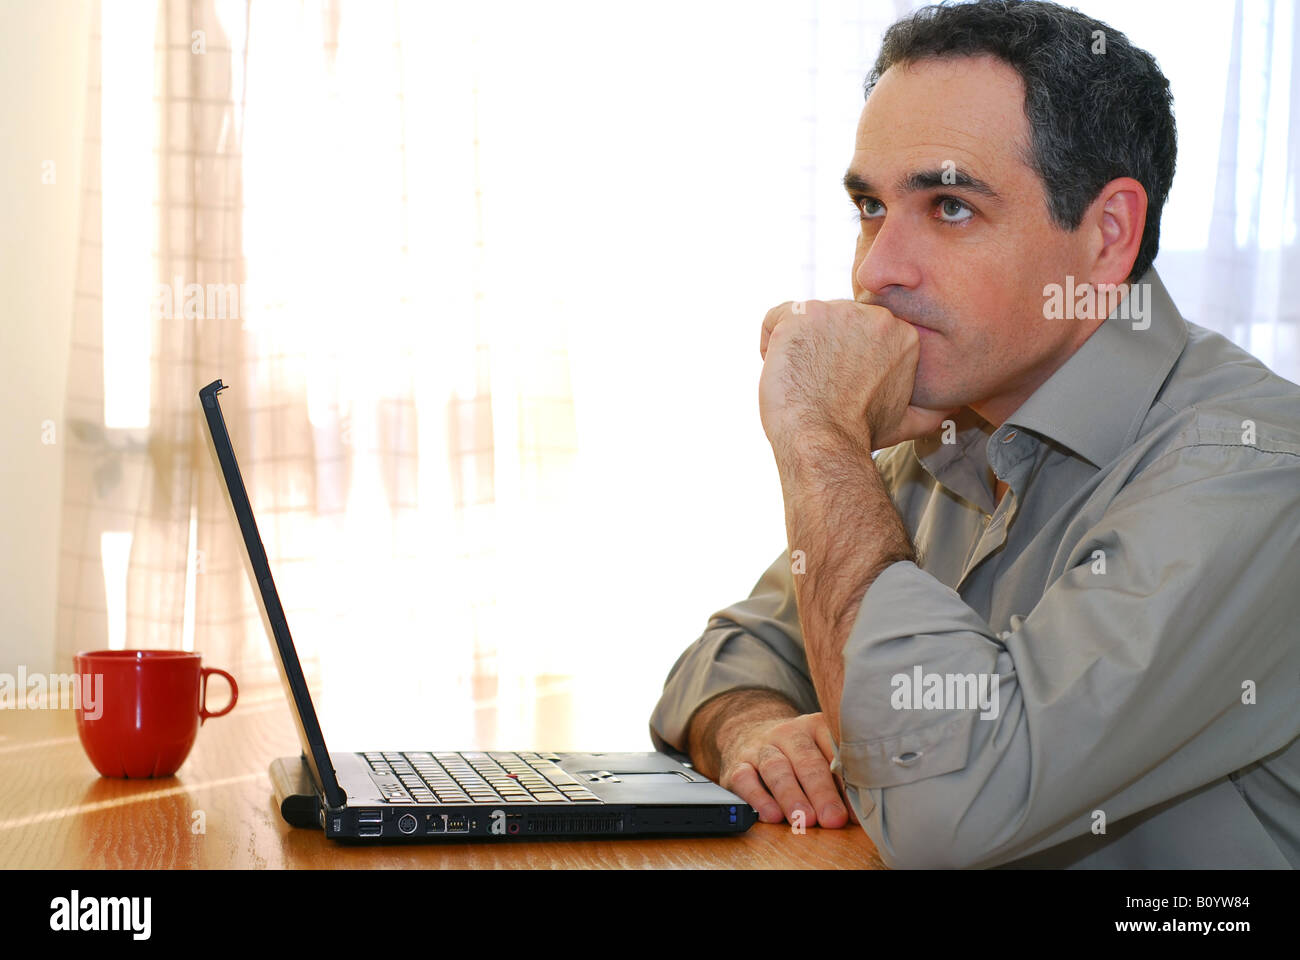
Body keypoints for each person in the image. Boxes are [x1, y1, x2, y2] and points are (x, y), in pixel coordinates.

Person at [649, 0, 1300, 869]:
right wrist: (757, 729)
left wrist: (816, 432)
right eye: (871, 206)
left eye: (949, 206)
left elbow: (943, 811)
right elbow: (730, 655)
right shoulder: (940, 429)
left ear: (1107, 237)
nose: (876, 270)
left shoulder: (1248, 468)